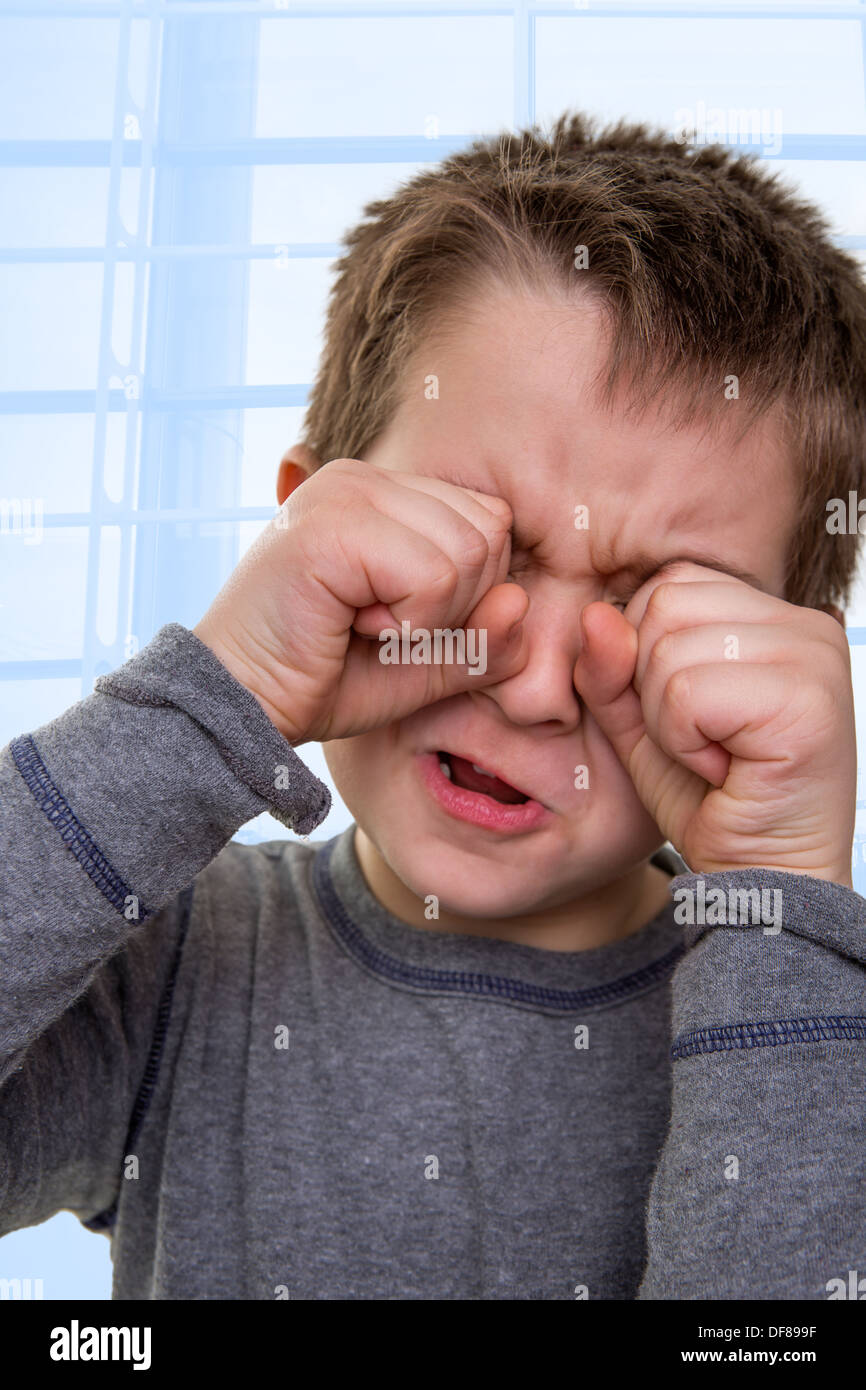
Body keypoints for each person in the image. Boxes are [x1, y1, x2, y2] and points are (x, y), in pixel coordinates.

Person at [2, 112, 865, 1300]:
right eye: (476, 549)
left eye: (657, 605)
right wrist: (221, 690)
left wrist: (778, 901)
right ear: (310, 526)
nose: (531, 684)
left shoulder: (817, 1034)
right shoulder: (171, 969)